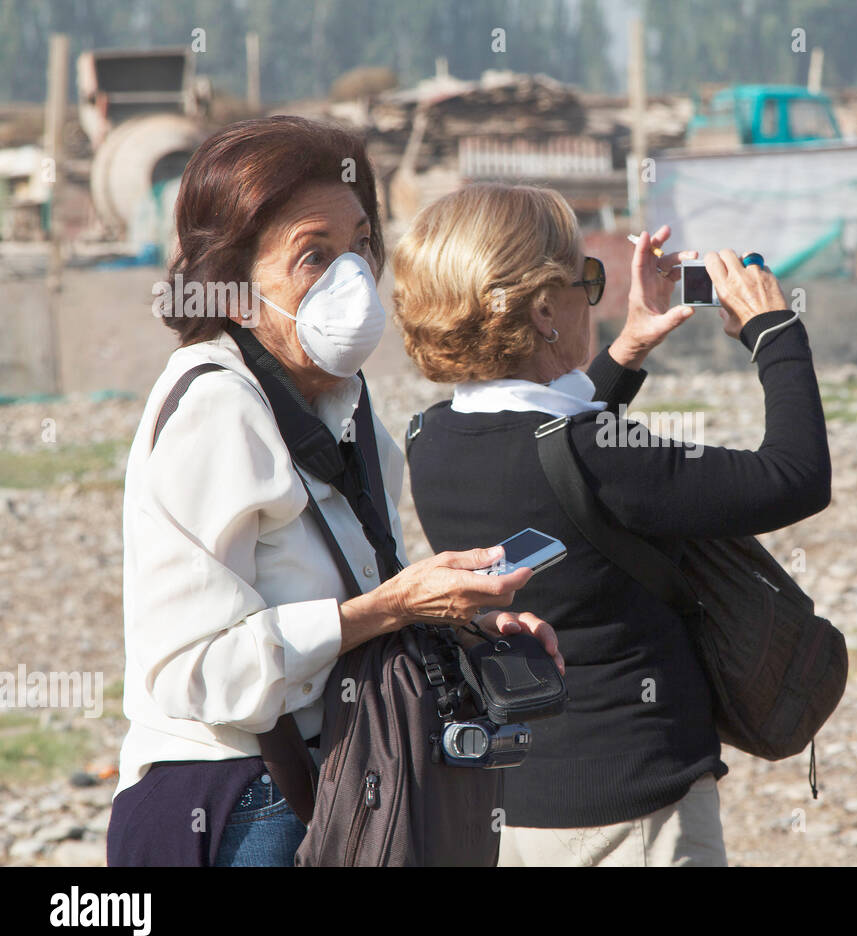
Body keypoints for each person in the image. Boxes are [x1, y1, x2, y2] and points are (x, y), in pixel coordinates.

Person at [107, 118, 561, 867]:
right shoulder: (217, 409)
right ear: (234, 284)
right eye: (313, 256)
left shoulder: (344, 404)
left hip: (335, 779)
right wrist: (390, 606)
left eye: (360, 245)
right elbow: (195, 673)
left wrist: (468, 626)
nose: (351, 277)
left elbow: (357, 603)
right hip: (234, 803)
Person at [393, 182, 831, 866]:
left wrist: (627, 348)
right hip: (637, 809)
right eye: (584, 280)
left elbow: (551, 448)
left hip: (514, 804)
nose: (591, 294)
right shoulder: (595, 456)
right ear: (543, 310)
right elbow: (795, 477)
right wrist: (775, 333)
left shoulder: (431, 439)